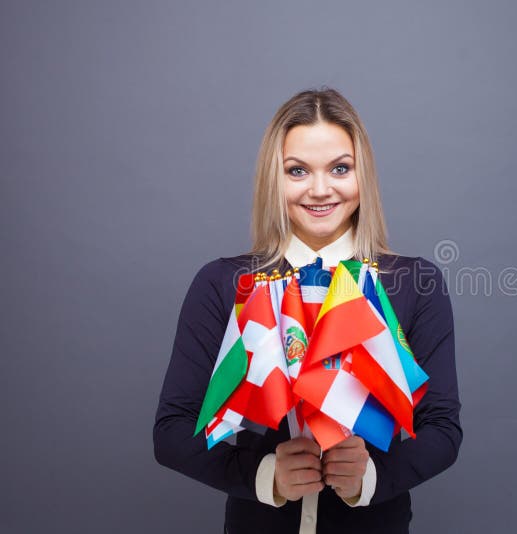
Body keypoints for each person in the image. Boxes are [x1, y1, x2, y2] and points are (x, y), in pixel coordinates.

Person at [153, 87, 462, 534]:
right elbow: (173, 431)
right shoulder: (224, 285)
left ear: (364, 175)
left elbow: (442, 429)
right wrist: (265, 477)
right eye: (297, 171)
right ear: (272, 179)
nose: (320, 190)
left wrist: (369, 478)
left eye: (340, 168)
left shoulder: (414, 285)